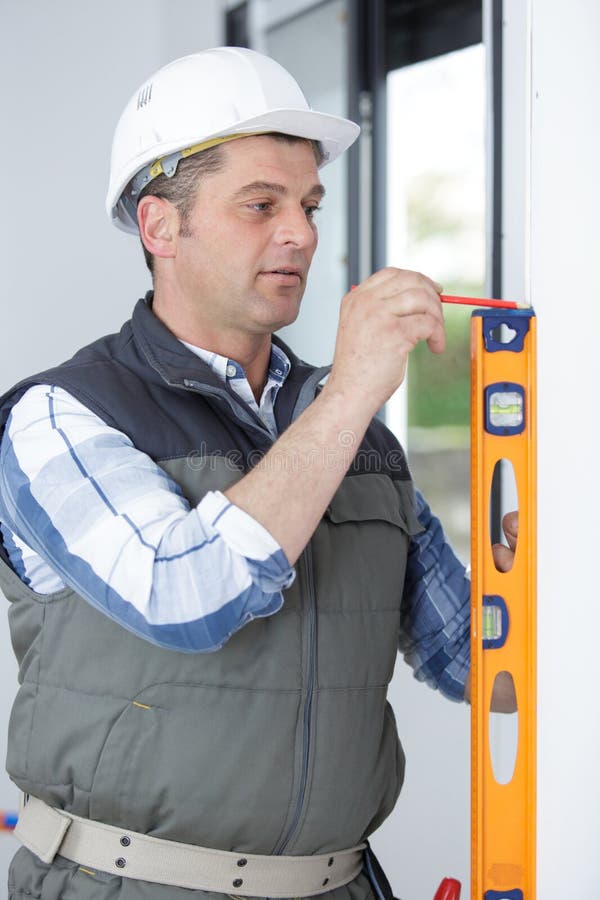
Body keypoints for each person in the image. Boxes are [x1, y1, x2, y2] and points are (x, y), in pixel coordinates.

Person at [0, 47, 516, 900]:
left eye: (308, 204)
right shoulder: (61, 417)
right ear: (161, 226)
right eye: (261, 204)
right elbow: (184, 594)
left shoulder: (353, 433)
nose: (303, 233)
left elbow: (478, 665)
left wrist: (536, 574)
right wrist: (349, 393)